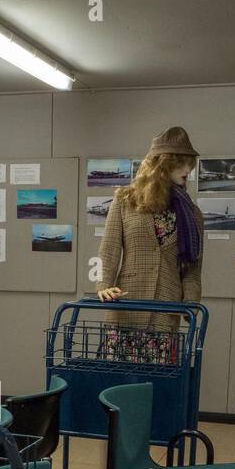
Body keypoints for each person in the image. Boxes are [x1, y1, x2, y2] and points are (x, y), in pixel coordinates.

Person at [95, 127, 204, 343]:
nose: (188, 169)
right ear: (164, 165)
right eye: (182, 163)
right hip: (125, 304)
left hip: (165, 307)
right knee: (117, 376)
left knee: (159, 376)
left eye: (190, 164)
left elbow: (193, 269)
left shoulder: (191, 213)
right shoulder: (126, 200)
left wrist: (191, 305)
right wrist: (103, 286)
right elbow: (109, 249)